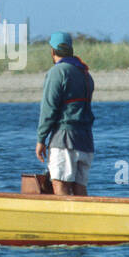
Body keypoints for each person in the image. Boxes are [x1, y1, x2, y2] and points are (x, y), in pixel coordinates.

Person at [35, 31, 94, 196]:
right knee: (79, 186)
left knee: (59, 182)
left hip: (64, 139)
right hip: (86, 140)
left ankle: (67, 220)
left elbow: (49, 109)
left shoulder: (57, 72)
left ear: (52, 51)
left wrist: (41, 139)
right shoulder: (85, 74)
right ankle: (83, 220)